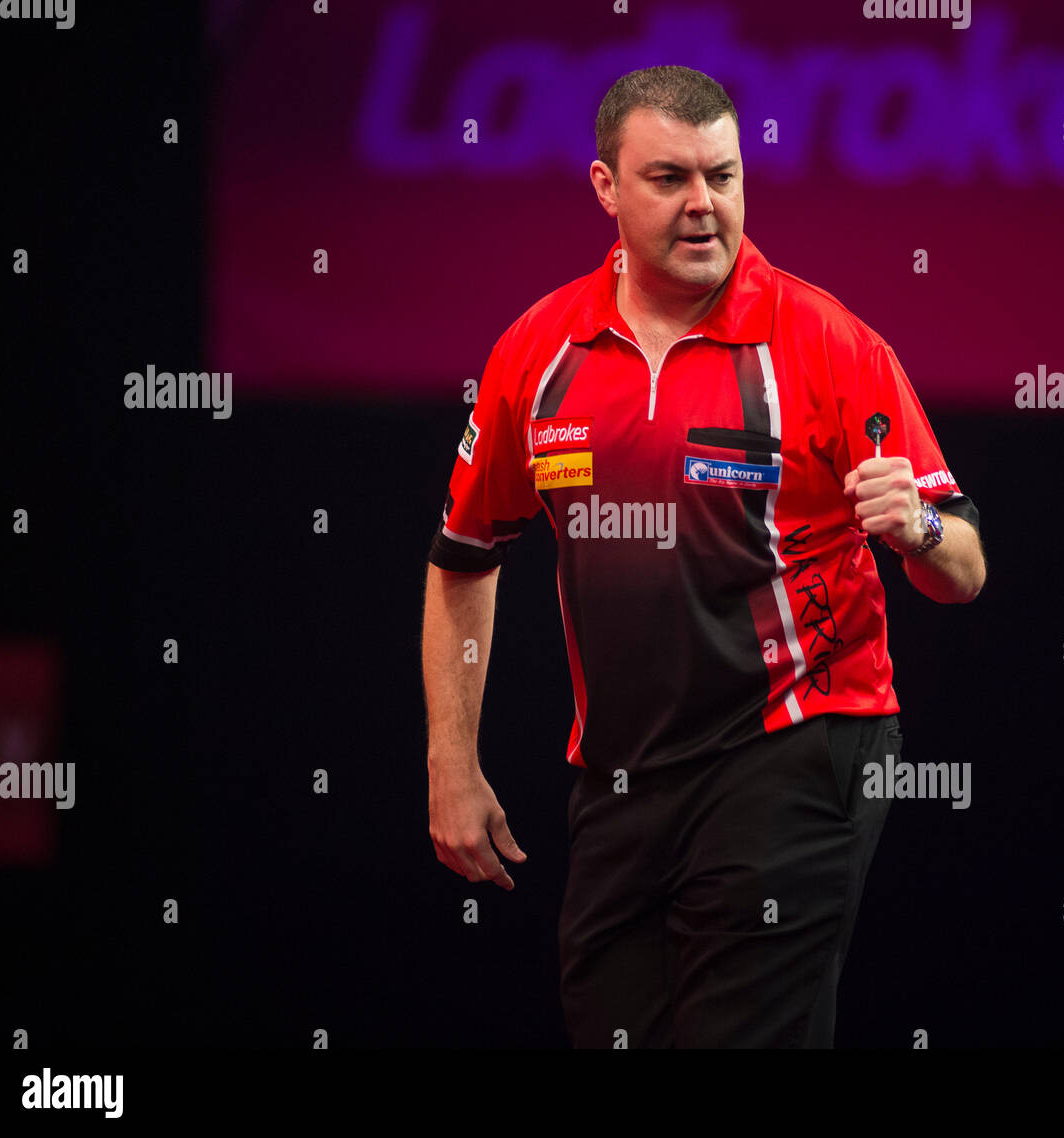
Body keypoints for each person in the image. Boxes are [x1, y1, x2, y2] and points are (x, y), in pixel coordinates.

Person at [421, 65, 986, 1048]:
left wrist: (920, 531)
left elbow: (965, 568)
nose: (703, 207)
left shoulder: (822, 341)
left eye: (722, 177)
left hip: (799, 738)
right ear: (605, 187)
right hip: (623, 772)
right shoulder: (535, 353)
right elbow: (464, 557)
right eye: (669, 179)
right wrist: (449, 763)